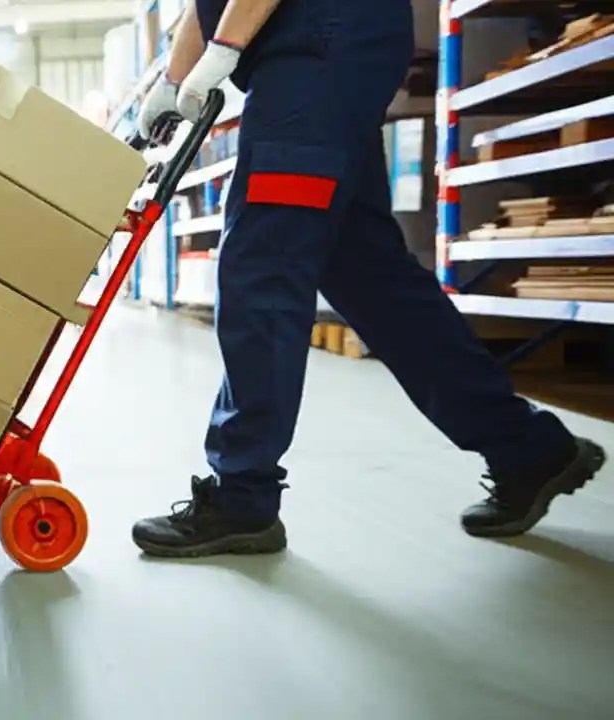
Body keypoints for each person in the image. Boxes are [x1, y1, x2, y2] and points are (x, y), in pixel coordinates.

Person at [130, 0, 605, 557]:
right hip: (326, 49)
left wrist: (225, 49)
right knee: (370, 277)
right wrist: (172, 79)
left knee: (264, 264)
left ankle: (242, 495)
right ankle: (526, 448)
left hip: (318, 48)